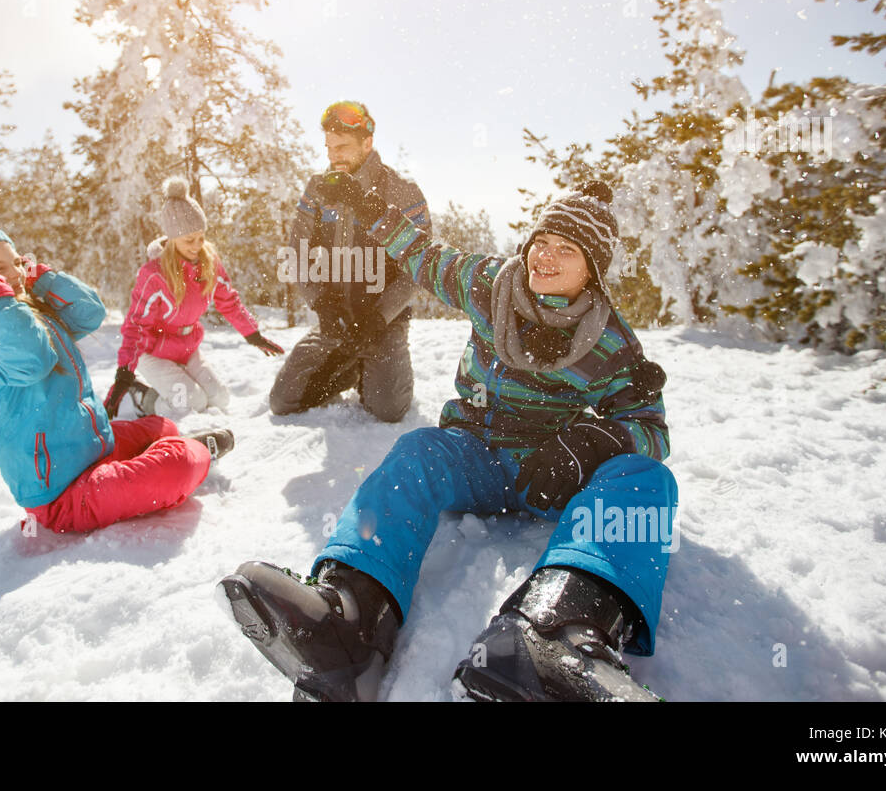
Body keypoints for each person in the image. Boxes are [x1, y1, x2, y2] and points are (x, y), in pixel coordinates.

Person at [220, 179, 675, 702]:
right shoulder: (489, 284)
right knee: (417, 450)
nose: (544, 257)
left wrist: (590, 444)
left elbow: (652, 430)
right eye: (540, 242)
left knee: (647, 479)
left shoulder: (611, 340)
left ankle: (558, 635)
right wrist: (375, 208)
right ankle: (350, 618)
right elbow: (422, 255)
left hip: (549, 476)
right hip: (473, 454)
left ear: (592, 269)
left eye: (565, 249)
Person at [0, 221, 232, 534]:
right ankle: (192, 456)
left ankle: (166, 454)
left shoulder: (23, 308)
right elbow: (30, 362)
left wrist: (42, 280)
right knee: (177, 466)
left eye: (17, 263)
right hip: (62, 492)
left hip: (95, 446)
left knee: (162, 426)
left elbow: (90, 313)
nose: (16, 273)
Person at [268, 100, 430, 422]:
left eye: (341, 147)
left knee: (387, 410)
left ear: (367, 143)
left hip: (381, 323)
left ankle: (376, 364)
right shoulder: (316, 188)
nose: (332, 156)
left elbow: (417, 266)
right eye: (329, 147)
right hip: (336, 319)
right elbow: (296, 251)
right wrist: (322, 302)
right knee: (283, 401)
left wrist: (380, 317)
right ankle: (348, 365)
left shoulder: (403, 191)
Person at [105, 178, 284, 419]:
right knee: (188, 404)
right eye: (189, 240)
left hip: (186, 348)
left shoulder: (208, 262)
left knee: (221, 398)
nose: (197, 246)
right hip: (153, 352)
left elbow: (228, 301)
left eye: (201, 237)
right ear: (171, 239)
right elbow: (136, 325)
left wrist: (253, 334)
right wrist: (124, 373)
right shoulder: (154, 274)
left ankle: (178, 384)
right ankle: (142, 397)